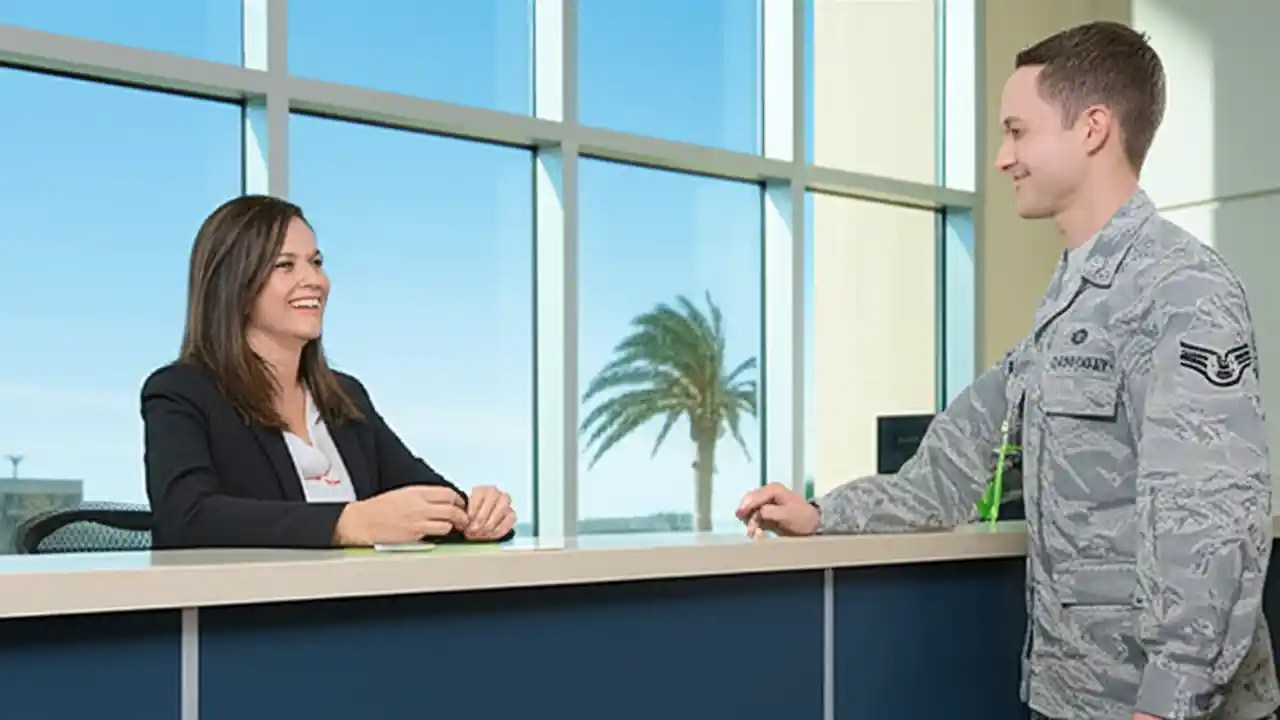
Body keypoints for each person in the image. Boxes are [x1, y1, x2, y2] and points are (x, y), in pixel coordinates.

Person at [737, 21, 1277, 720]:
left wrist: (1168, 703)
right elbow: (947, 472)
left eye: (1018, 132)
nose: (1002, 158)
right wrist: (821, 515)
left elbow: (1210, 517)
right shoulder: (1066, 304)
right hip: (1073, 697)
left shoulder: (1181, 289)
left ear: (1092, 128)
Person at [142, 194, 517, 549]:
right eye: (285, 265)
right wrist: (347, 523)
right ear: (234, 286)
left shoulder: (345, 397)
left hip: (363, 610)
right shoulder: (181, 391)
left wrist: (480, 516)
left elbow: (425, 503)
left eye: (316, 262)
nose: (316, 281)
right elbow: (185, 517)